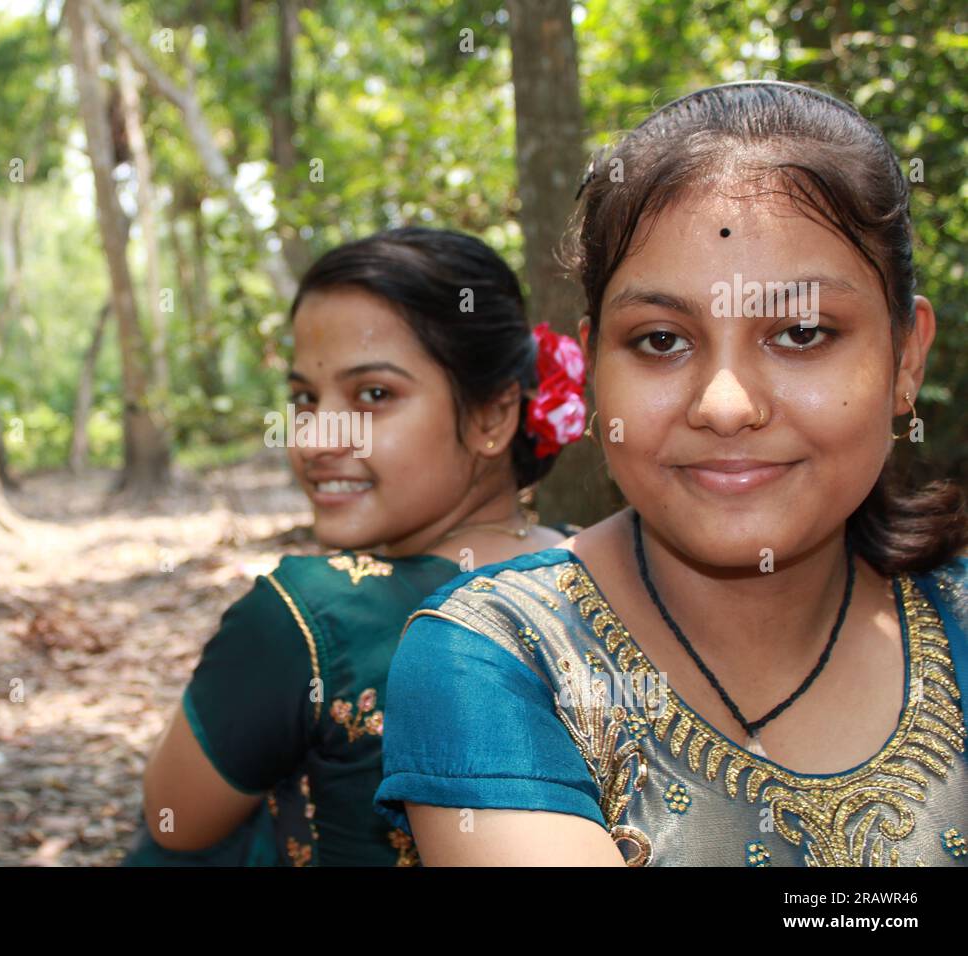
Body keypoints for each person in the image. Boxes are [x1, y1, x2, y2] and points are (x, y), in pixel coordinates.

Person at [374, 81, 968, 867]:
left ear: (906, 358)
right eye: (660, 340)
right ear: (593, 369)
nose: (724, 405)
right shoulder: (496, 659)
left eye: (800, 331)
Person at [122, 227, 587, 865]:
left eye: (373, 395)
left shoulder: (306, 616)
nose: (315, 439)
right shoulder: (608, 571)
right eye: (303, 399)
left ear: (492, 416)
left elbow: (176, 822)